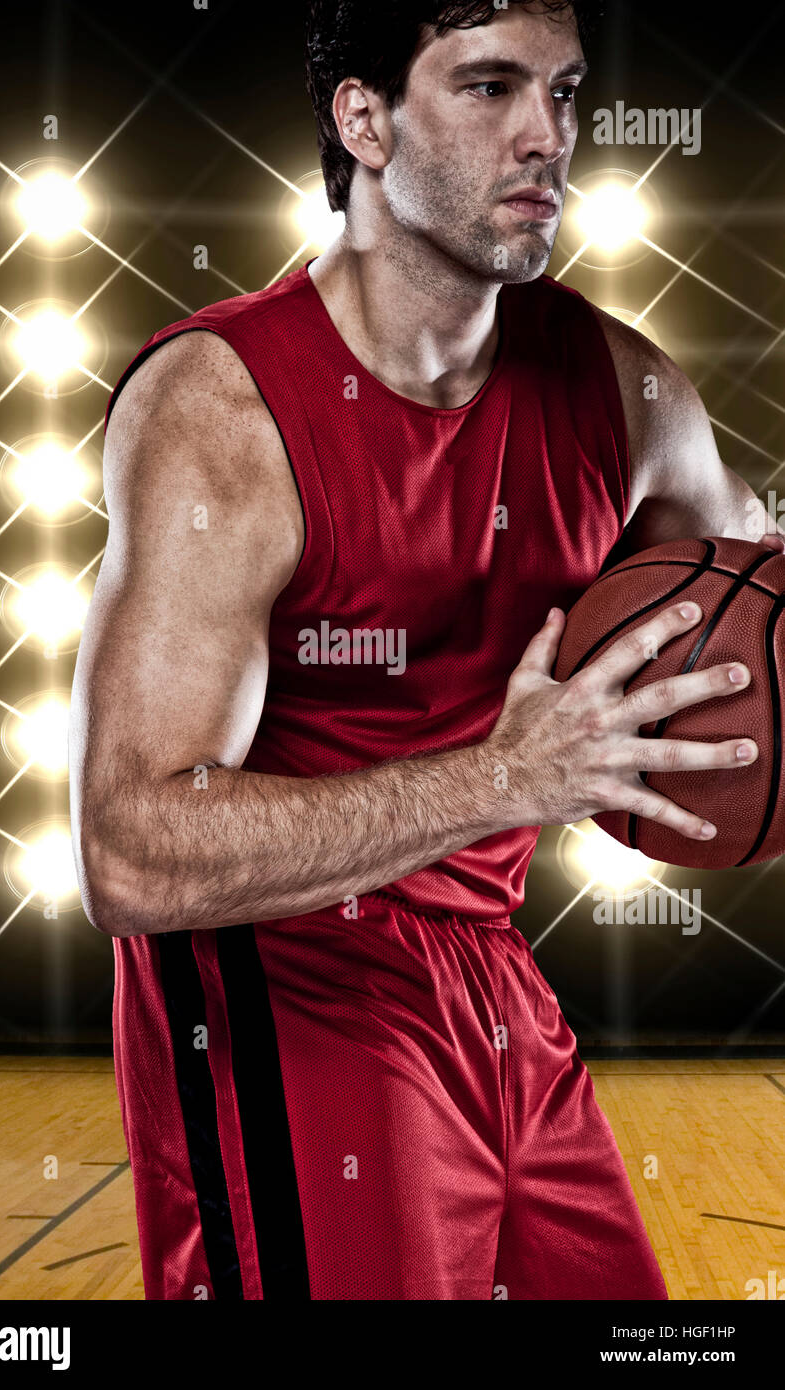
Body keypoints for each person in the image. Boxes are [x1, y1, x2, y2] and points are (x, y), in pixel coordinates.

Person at [70, 0, 784, 1299]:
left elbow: (762, 599)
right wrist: (502, 780)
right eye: (488, 88)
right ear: (364, 121)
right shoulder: (224, 413)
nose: (544, 137)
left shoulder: (621, 392)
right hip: (286, 985)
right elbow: (126, 849)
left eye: (563, 94)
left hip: (493, 979)